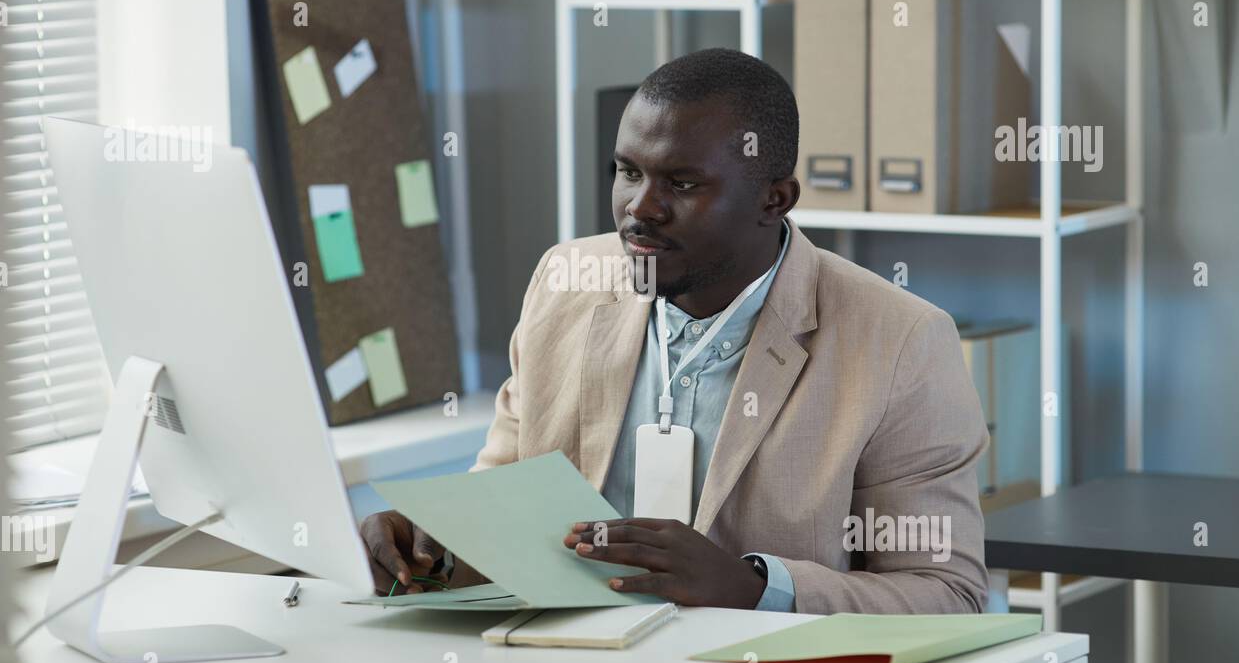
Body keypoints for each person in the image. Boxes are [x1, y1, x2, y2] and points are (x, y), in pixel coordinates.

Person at [361, 48, 989, 614]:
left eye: (682, 184)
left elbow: (946, 593)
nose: (641, 208)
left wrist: (751, 587)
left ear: (775, 199)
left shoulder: (901, 342)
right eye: (628, 172)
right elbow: (497, 510)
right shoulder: (565, 282)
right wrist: (429, 548)